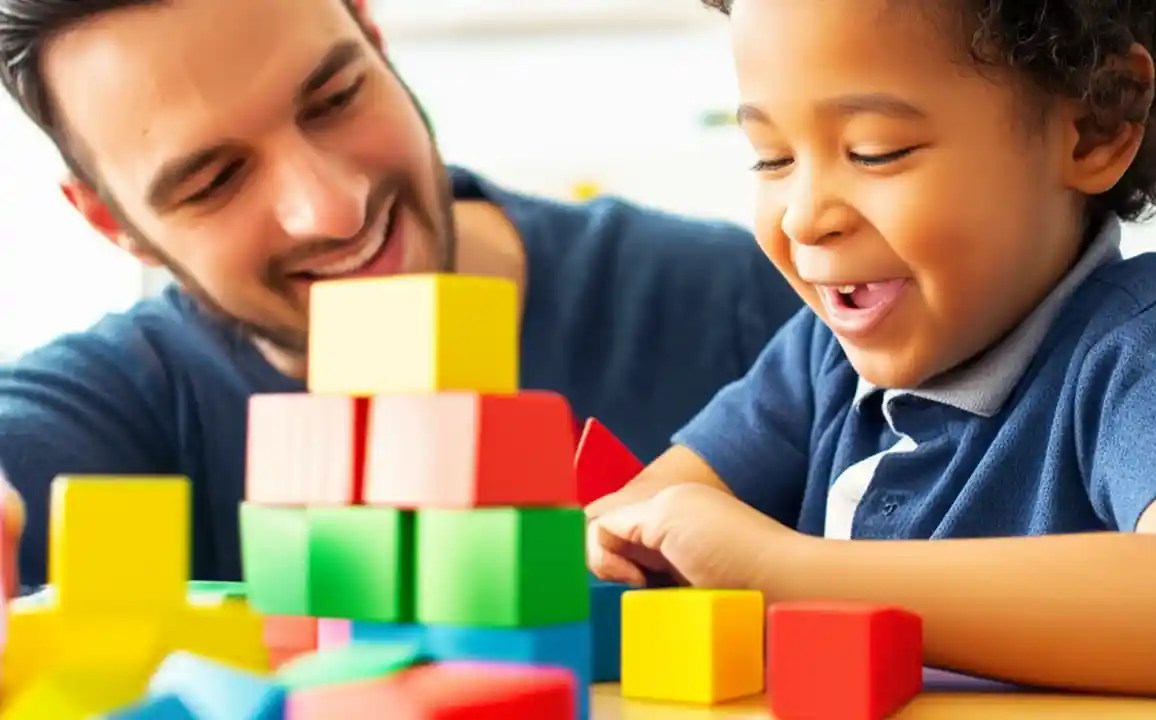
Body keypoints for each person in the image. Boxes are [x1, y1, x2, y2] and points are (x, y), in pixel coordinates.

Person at [587, 0, 1156, 706]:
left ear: (1095, 124)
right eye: (773, 158)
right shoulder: (821, 357)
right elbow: (650, 513)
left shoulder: (1154, 348)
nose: (804, 216)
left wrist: (791, 571)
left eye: (875, 151)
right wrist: (622, 540)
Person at [0, 0, 802, 590]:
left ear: (376, 42)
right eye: (215, 181)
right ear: (116, 225)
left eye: (335, 99)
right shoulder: (111, 408)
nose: (333, 207)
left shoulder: (762, 306)